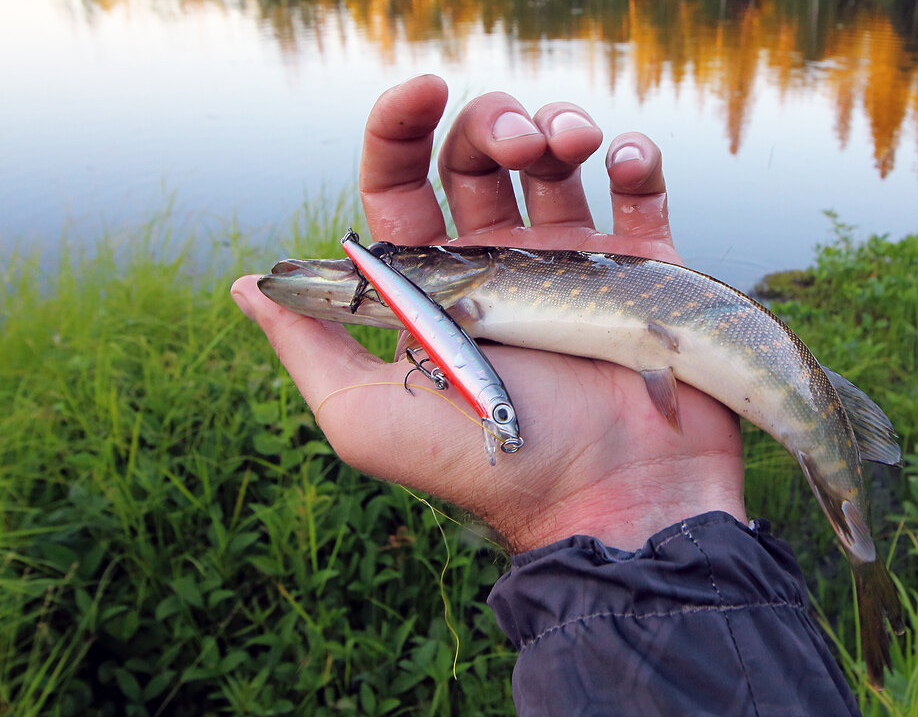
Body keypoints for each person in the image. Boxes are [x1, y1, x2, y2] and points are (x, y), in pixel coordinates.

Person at [230, 74, 864, 716]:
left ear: (452, 267)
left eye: (396, 260)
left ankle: (867, 567)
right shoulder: (460, 299)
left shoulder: (475, 281)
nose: (379, 270)